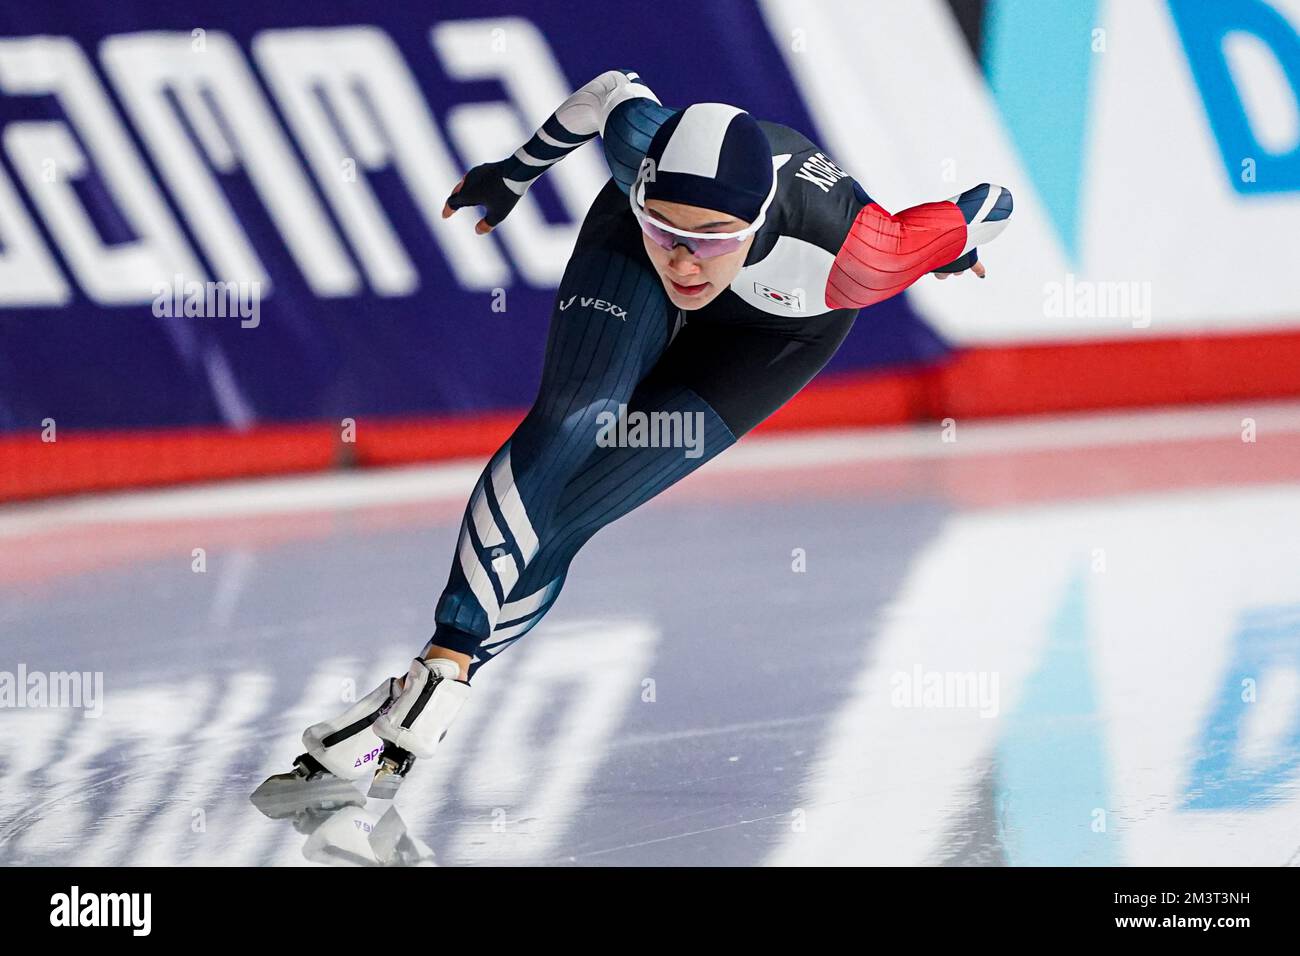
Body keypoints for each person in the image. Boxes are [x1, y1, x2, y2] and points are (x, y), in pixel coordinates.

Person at [255, 68, 1013, 806]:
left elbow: (991, 201)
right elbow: (609, 89)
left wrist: (957, 244)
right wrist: (514, 174)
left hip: (775, 334)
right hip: (626, 263)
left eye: (712, 239)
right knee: (580, 412)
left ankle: (406, 704)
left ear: (753, 225)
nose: (685, 260)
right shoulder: (640, 154)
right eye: (668, 229)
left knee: (575, 510)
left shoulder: (866, 255)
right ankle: (443, 670)